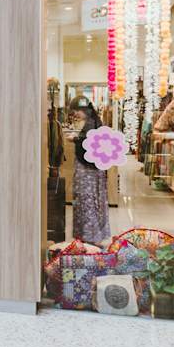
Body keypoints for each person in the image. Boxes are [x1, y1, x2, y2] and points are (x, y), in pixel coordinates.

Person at [68, 97, 110, 245]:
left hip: (87, 172)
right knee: (92, 199)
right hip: (94, 171)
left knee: (86, 200)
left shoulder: (91, 124)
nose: (76, 114)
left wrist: (76, 139)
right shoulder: (94, 122)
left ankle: (89, 235)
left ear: (84, 110)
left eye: (77, 111)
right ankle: (92, 234)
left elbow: (88, 145)